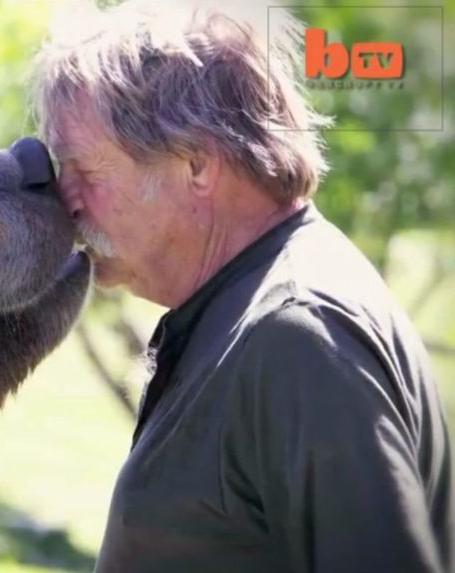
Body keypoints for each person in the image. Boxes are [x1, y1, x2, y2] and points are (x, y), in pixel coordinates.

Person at [29, 1, 453, 572]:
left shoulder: (299, 336)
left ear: (197, 165)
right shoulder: (257, 311)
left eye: (84, 169)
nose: (67, 198)